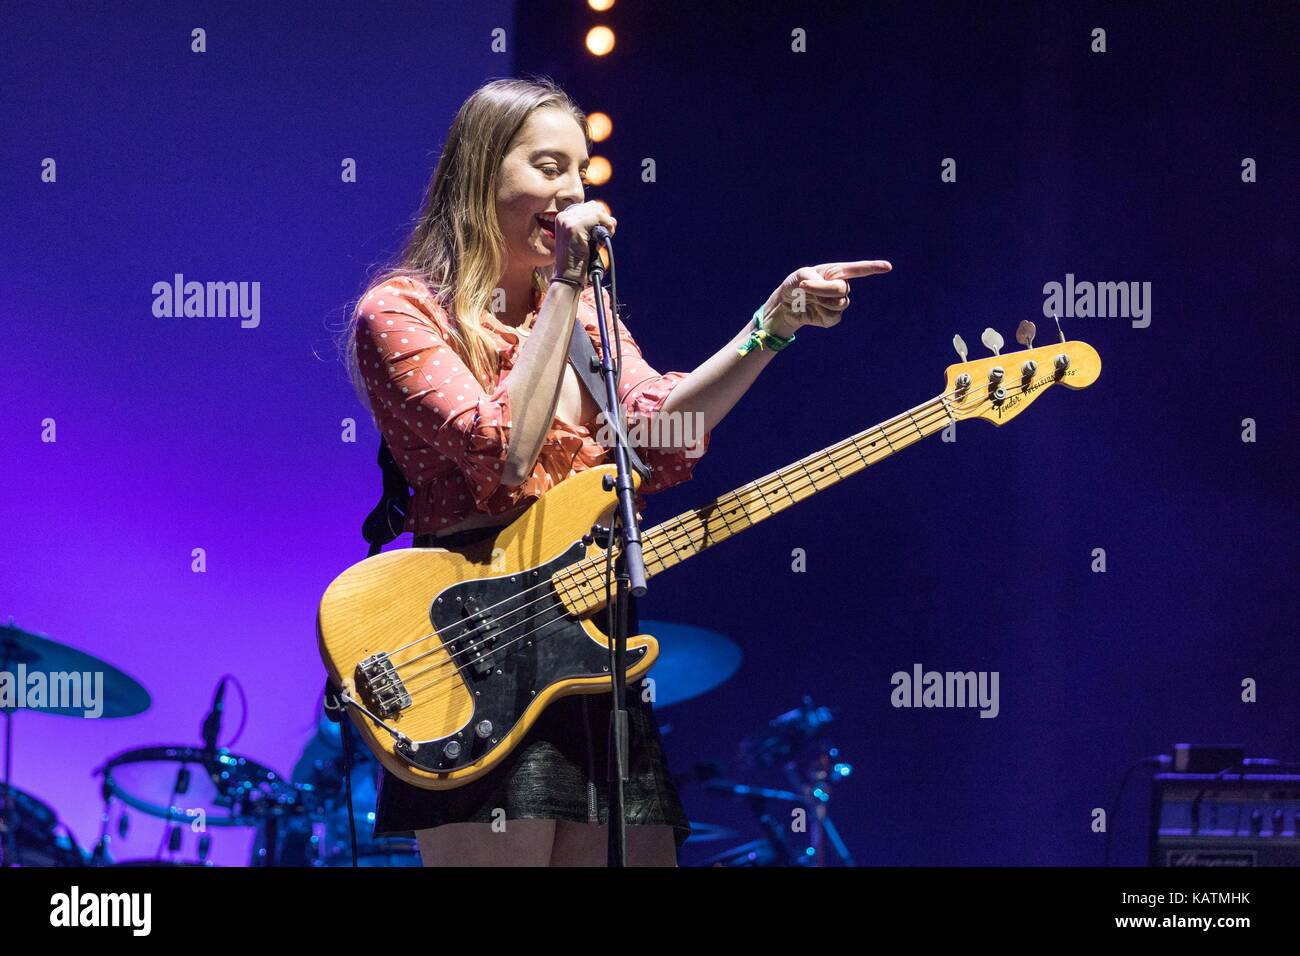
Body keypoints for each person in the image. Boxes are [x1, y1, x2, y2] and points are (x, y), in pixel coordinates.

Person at [342, 76, 890, 866]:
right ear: (480, 173)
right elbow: (504, 449)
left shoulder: (582, 322)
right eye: (550, 167)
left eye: (582, 172)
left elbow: (663, 434)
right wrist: (565, 280)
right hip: (476, 657)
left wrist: (770, 327)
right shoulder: (401, 313)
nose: (574, 193)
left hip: (589, 652)